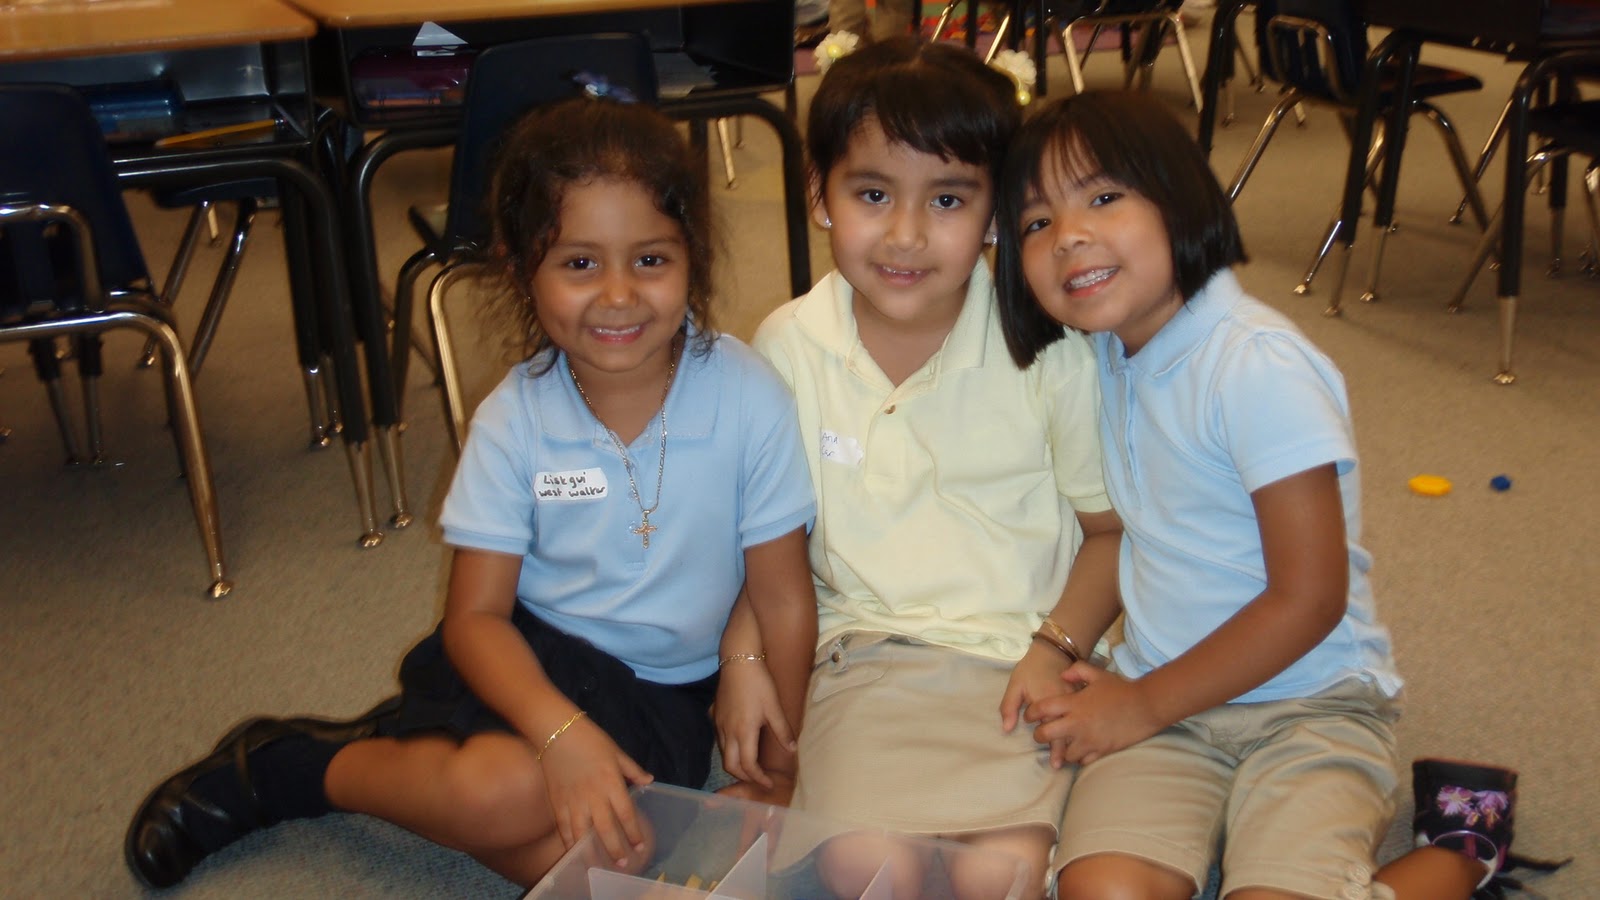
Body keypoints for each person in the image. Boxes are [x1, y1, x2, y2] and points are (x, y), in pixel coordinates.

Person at [123, 95, 819, 891]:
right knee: (505, 793)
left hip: (669, 692)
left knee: (615, 855)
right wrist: (562, 735)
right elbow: (477, 619)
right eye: (580, 262)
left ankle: (433, 765)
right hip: (537, 657)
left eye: (651, 259)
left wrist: (779, 769)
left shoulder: (747, 395)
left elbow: (786, 596)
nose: (619, 295)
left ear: (693, 257)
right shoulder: (514, 419)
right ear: (523, 269)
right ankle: (299, 768)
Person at [994, 89, 1557, 900]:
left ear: (1182, 200)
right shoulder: (1110, 354)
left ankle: (1465, 841)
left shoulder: (1256, 365)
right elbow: (1138, 534)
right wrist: (1064, 653)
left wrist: (1141, 706)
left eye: (1105, 196)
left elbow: (1310, 598)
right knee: (1102, 892)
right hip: (1164, 692)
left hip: (1311, 705)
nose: (1068, 234)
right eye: (1035, 222)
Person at [723, 37, 1123, 900]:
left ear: (995, 214)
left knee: (996, 874)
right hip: (866, 658)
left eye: (947, 199)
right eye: (872, 194)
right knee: (868, 866)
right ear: (819, 197)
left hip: (1020, 661)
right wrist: (745, 657)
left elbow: (1112, 532)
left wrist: (1056, 647)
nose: (905, 235)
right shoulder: (788, 345)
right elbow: (768, 542)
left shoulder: (1048, 345)